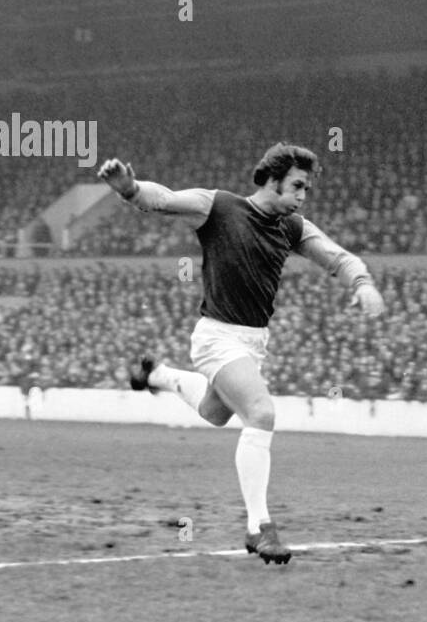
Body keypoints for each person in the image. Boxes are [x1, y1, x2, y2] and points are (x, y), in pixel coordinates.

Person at [96, 143, 384, 566]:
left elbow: (336, 257)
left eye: (307, 188)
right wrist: (130, 189)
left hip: (252, 344)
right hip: (217, 338)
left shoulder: (292, 227)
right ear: (272, 180)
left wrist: (361, 282)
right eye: (297, 186)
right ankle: (258, 527)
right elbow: (165, 199)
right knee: (261, 414)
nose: (303, 196)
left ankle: (157, 375)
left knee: (215, 413)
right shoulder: (219, 207)